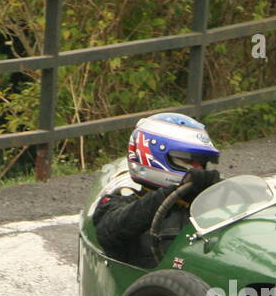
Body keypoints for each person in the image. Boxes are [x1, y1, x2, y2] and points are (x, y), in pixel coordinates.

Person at [93, 113, 221, 268]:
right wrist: (173, 193)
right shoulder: (120, 203)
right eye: (189, 161)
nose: (198, 169)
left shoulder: (204, 206)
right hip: (152, 286)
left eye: (202, 163)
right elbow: (109, 231)